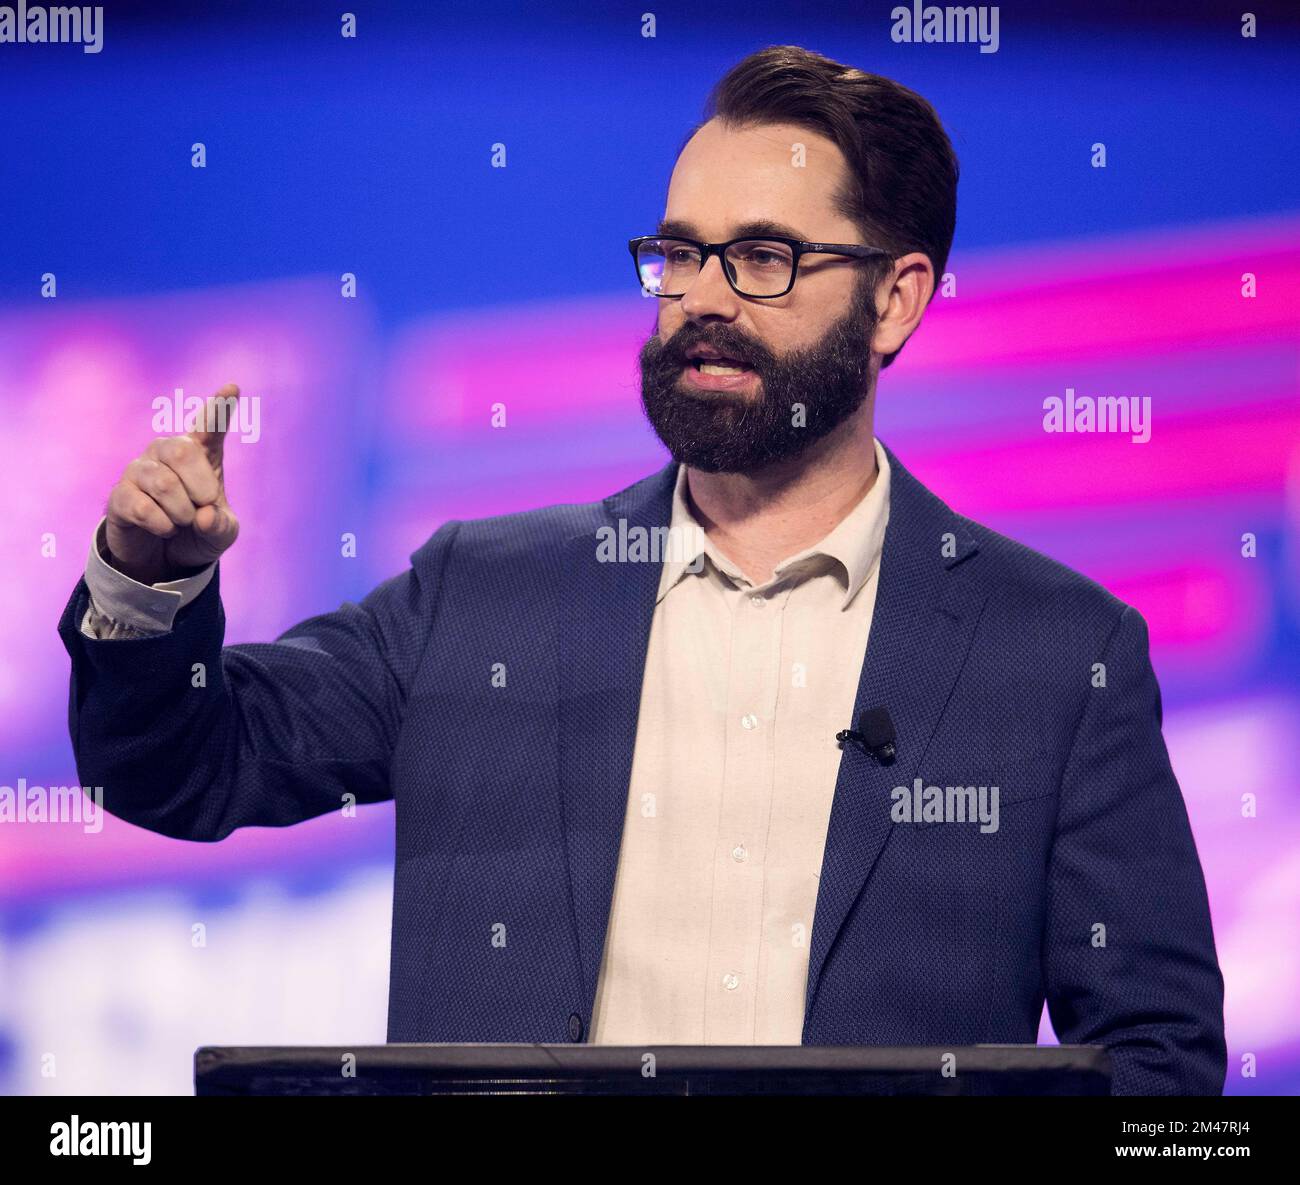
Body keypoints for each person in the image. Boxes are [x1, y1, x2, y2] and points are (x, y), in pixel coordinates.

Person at [58, 45, 1225, 1094]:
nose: (702, 300)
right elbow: (183, 771)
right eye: (678, 254)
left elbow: (1156, 1057)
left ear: (896, 299)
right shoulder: (484, 594)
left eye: (763, 257)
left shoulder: (1055, 653)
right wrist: (143, 580)